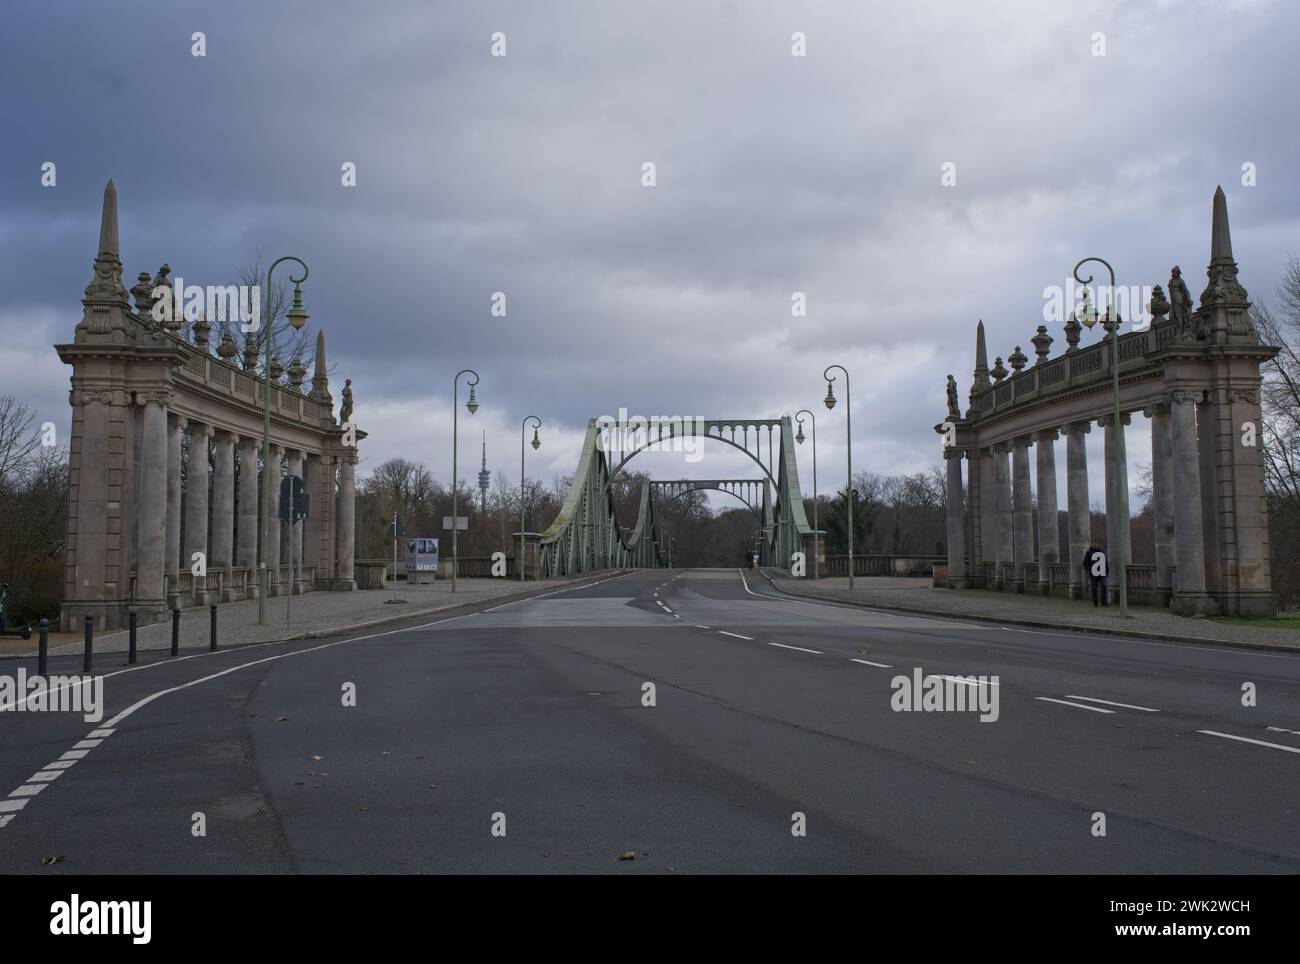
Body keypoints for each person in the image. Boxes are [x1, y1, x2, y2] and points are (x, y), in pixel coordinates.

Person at [1082, 541, 1109, 606]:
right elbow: (1085, 563)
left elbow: (1105, 562)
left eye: (1096, 543)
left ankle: (1103, 602)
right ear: (1091, 545)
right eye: (1093, 544)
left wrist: (1107, 571)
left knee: (1104, 586)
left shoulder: (1102, 553)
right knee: (1094, 588)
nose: (1095, 545)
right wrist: (1090, 569)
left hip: (1102, 573)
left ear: (1098, 545)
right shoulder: (1088, 553)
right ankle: (1095, 602)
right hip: (1093, 573)